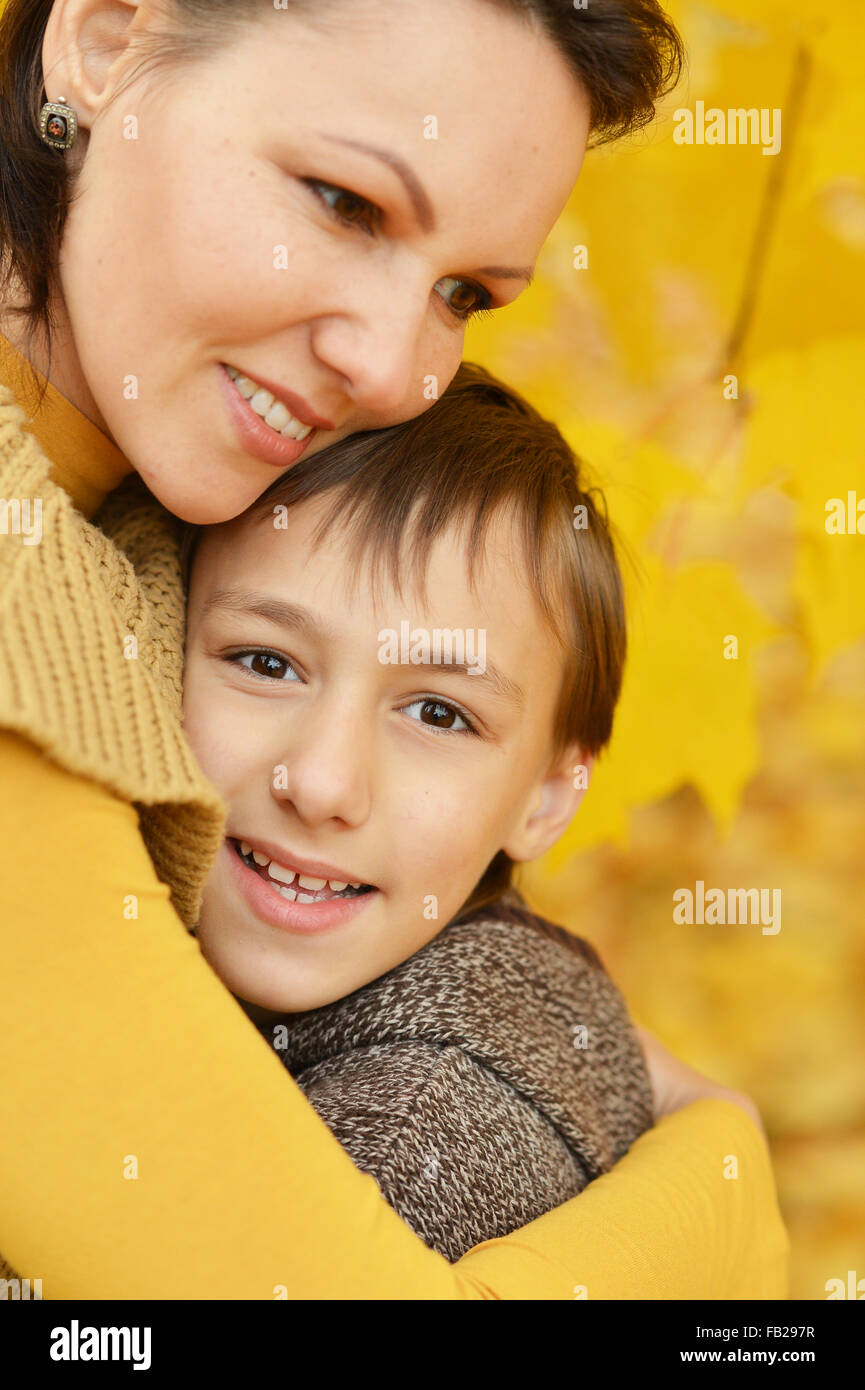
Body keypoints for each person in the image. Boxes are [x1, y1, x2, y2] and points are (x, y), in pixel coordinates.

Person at [0, 0, 789, 1297]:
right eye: (343, 201)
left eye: (462, 294)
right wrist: (720, 1170)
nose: (384, 366)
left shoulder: (159, 499)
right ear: (107, 37)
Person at [179, 361, 656, 1260]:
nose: (320, 784)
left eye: (438, 713)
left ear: (548, 798)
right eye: (266, 662)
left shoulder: (408, 1144)